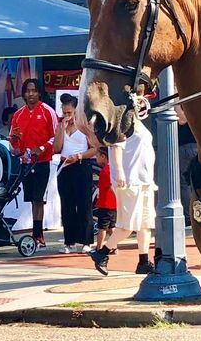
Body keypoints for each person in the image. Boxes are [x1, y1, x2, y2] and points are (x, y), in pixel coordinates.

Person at [89, 120, 157, 276]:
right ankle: (101, 253)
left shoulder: (137, 123)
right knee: (127, 226)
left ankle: (143, 261)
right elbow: (116, 148)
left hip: (144, 180)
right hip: (129, 181)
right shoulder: (122, 123)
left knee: (144, 224)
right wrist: (119, 172)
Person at [9, 78, 58, 248]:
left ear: (39, 92)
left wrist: (42, 148)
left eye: (34, 91)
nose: (30, 94)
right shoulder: (18, 114)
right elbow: (13, 140)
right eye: (27, 91)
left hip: (42, 162)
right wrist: (15, 143)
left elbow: (56, 136)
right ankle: (34, 234)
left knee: (39, 199)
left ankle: (39, 235)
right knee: (31, 200)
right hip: (25, 162)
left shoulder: (47, 111)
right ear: (23, 93)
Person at [52, 93, 95, 254]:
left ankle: (86, 241)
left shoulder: (85, 125)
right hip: (64, 165)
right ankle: (69, 241)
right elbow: (56, 148)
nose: (67, 115)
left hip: (81, 164)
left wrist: (79, 156)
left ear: (76, 111)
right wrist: (61, 130)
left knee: (84, 204)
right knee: (67, 204)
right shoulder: (61, 124)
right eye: (64, 112)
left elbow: (94, 149)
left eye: (70, 112)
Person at [92, 147, 118, 265]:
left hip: (105, 203)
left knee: (102, 227)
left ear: (103, 157)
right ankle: (114, 246)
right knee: (111, 227)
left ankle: (99, 247)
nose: (96, 159)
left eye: (97, 156)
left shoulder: (106, 171)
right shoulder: (112, 169)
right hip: (112, 204)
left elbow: (110, 187)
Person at [177, 105, 198, 226]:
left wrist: (175, 102)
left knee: (184, 183)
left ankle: (189, 216)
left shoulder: (184, 104)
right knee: (191, 182)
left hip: (187, 147)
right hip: (195, 146)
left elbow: (182, 119)